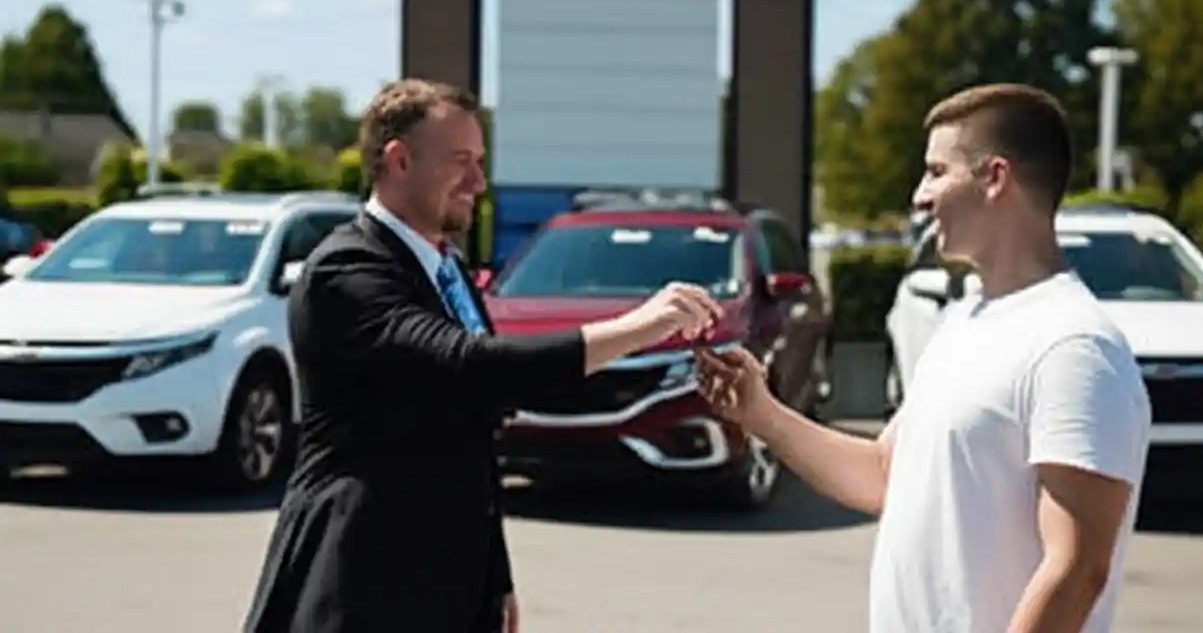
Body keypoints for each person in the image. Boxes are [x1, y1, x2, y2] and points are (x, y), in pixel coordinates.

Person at [242, 78, 722, 633]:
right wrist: (639, 327)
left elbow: (471, 433)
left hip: (449, 581)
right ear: (399, 160)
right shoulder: (346, 270)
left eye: (480, 161)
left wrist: (495, 576)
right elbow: (469, 367)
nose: (479, 182)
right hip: (361, 581)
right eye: (461, 162)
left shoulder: (446, 269)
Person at [696, 83, 1152, 633]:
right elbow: (884, 477)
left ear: (995, 178)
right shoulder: (967, 319)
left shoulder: (1074, 349)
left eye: (937, 171)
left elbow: (1076, 570)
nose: (919, 196)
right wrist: (762, 414)